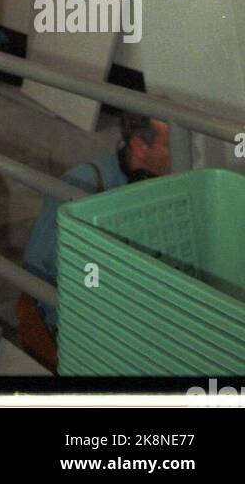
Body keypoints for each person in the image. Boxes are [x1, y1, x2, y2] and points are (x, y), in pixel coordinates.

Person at [19, 115, 171, 370]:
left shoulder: (165, 184)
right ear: (139, 147)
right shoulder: (84, 182)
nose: (181, 154)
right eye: (169, 146)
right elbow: (39, 270)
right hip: (83, 325)